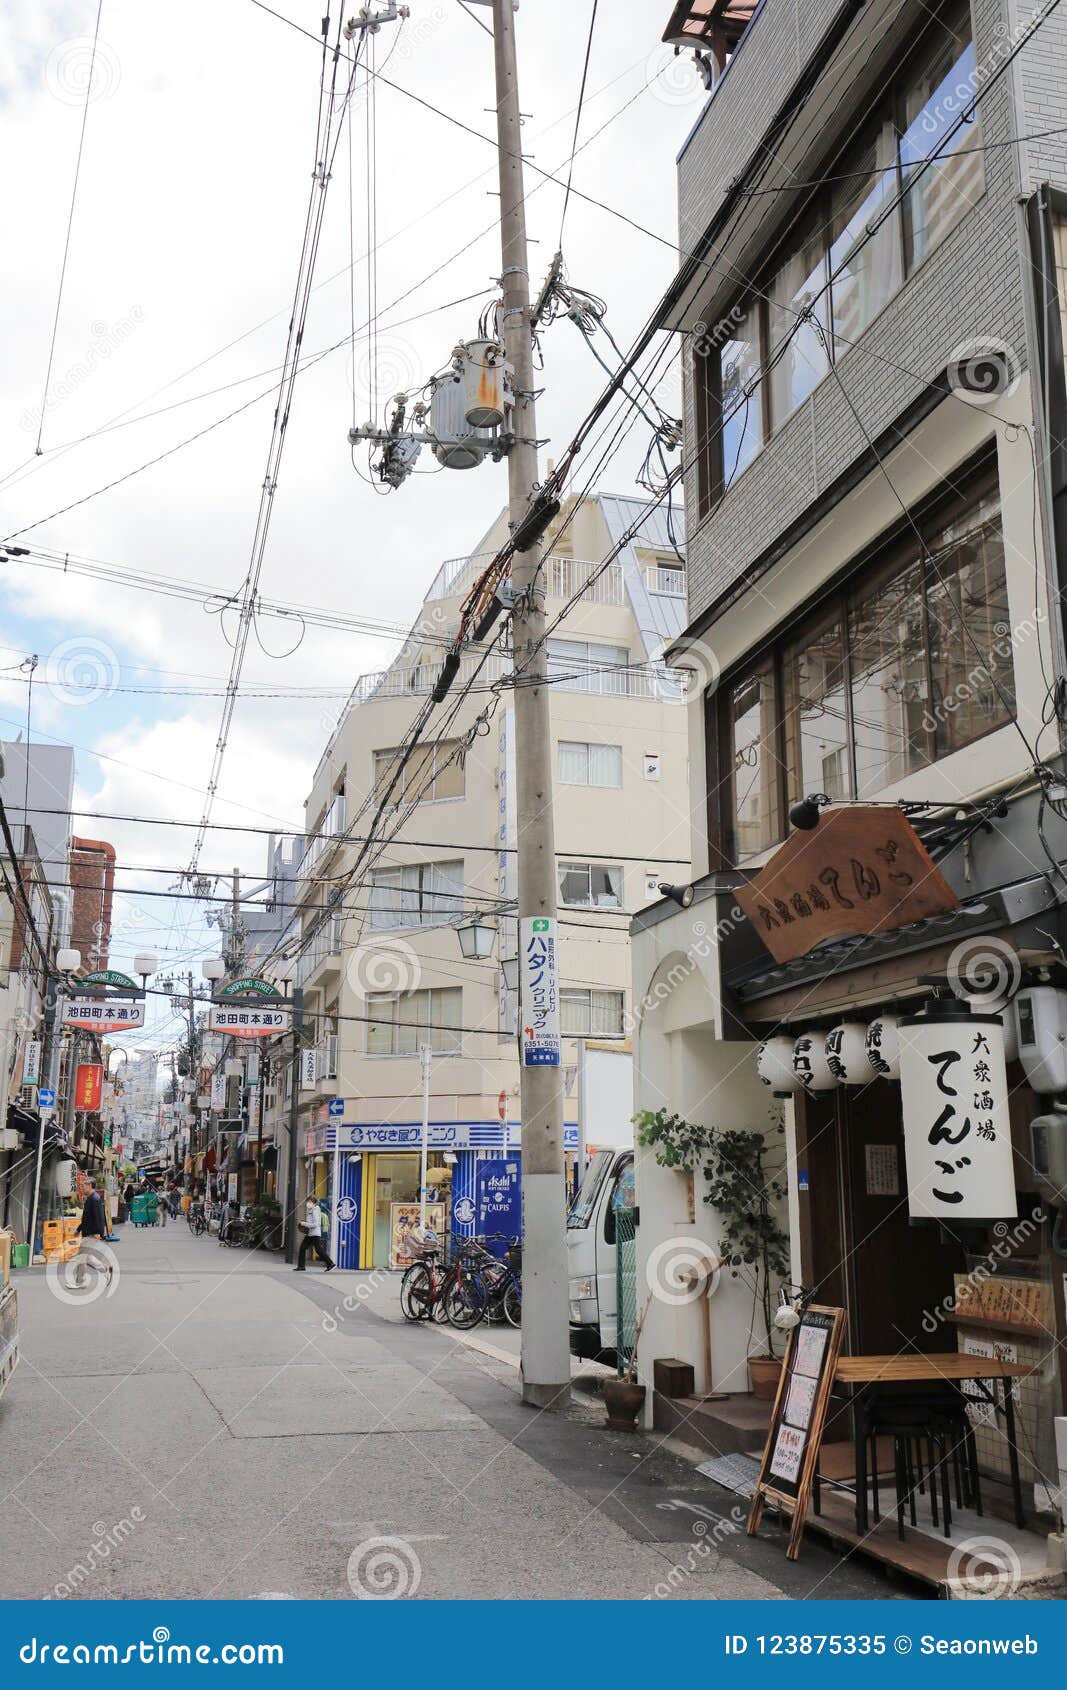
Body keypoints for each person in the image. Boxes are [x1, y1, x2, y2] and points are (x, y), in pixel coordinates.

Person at [74, 1177, 113, 1289]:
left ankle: (80, 1281)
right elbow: (86, 1218)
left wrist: (98, 1232)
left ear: (90, 1185)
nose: (81, 1187)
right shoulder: (90, 1198)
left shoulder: (94, 1199)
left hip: (91, 1233)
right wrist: (79, 1229)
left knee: (82, 1257)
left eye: (83, 1185)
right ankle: (106, 1269)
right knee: (87, 1257)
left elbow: (99, 1217)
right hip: (87, 1232)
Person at [294, 1193, 334, 1272]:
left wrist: (304, 1224)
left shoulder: (315, 1210)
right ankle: (301, 1266)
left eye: (310, 1202)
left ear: (314, 1203)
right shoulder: (311, 1210)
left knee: (318, 1250)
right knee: (303, 1248)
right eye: (307, 1202)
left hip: (315, 1234)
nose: (308, 1204)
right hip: (310, 1234)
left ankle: (330, 1263)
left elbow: (316, 1224)